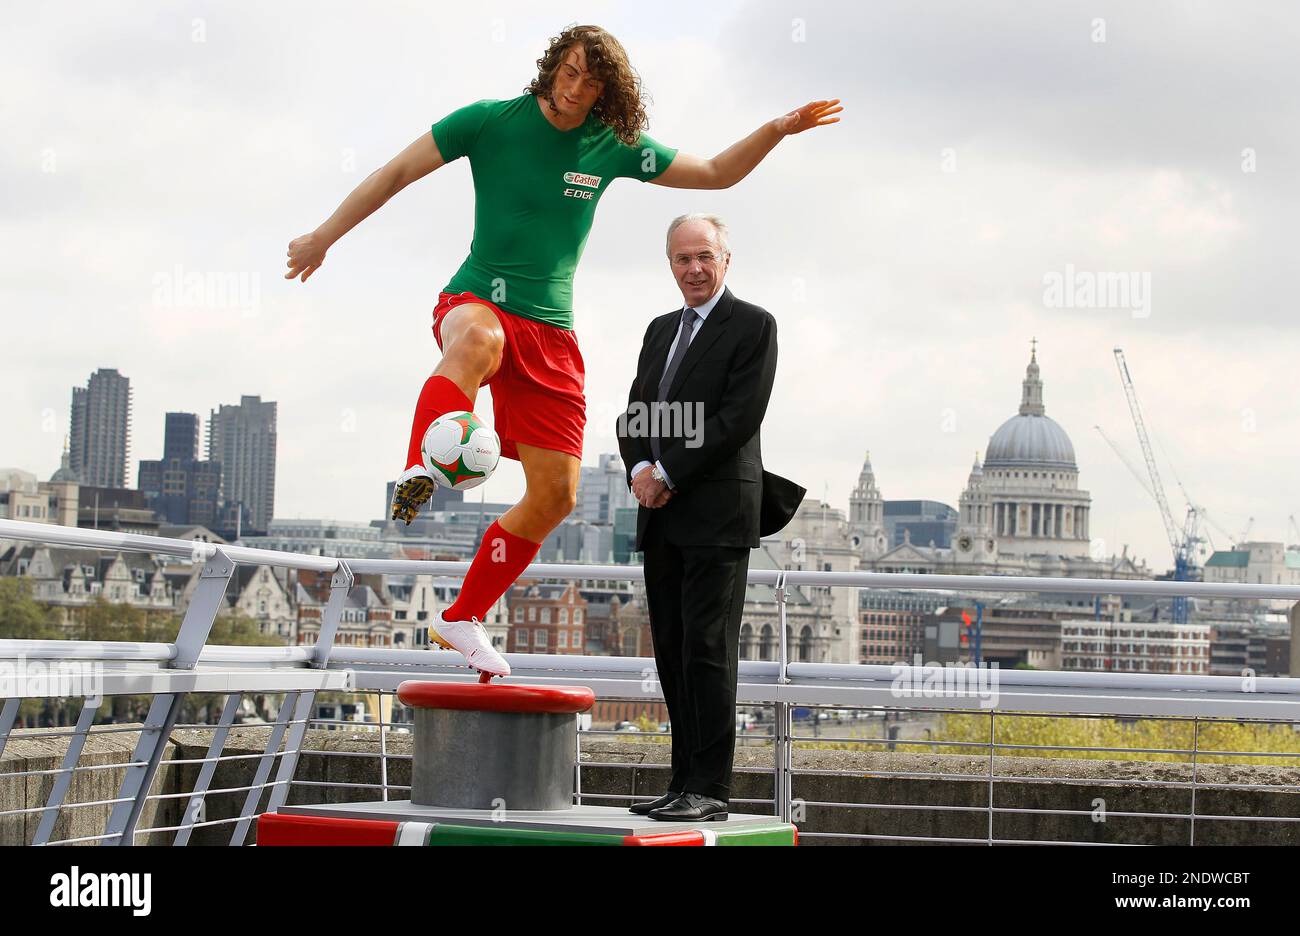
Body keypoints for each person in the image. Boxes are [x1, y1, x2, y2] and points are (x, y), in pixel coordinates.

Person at [286, 24, 839, 677]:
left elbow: (716, 173)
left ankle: (461, 617)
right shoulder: (488, 122)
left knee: (556, 495)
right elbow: (396, 172)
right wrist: (324, 236)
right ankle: (422, 465)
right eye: (569, 72)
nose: (575, 90)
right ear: (552, 66)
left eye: (592, 82)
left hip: (552, 333)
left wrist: (777, 128)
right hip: (479, 298)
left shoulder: (610, 145)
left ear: (609, 92)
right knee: (477, 339)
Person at [616, 213, 804, 821]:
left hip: (717, 513)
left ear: (726, 259)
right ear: (669, 265)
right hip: (662, 515)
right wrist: (639, 471)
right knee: (671, 649)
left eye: (704, 257)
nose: (694, 269)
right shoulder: (659, 329)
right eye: (682, 260)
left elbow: (737, 417)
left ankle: (711, 790)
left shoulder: (753, 325)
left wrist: (666, 473)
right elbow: (634, 415)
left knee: (708, 648)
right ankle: (682, 784)